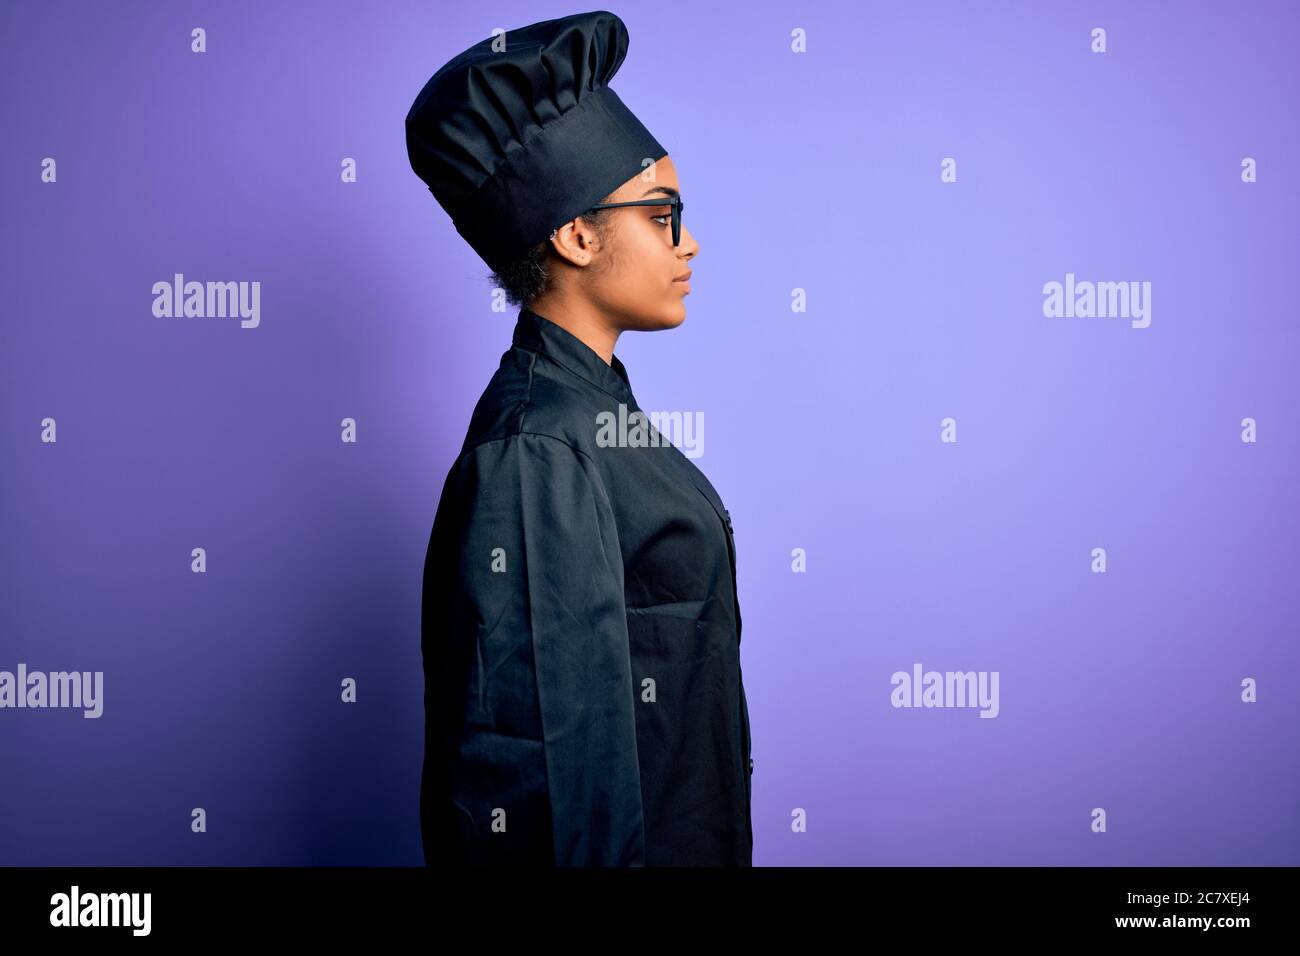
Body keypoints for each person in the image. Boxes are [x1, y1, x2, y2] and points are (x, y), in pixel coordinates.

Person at [406, 9, 752, 866]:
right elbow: (541, 775)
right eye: (663, 213)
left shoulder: (593, 411)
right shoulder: (537, 451)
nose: (689, 241)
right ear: (576, 233)